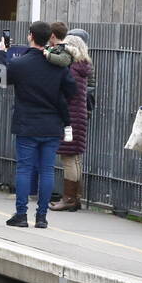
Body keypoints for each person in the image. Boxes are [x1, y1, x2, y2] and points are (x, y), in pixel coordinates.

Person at [0, 20, 76, 228]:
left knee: (24, 169)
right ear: (49, 38)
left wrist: (1, 53)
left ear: (30, 36)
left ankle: (21, 214)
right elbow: (72, 91)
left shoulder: (20, 64)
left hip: (26, 123)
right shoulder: (57, 64)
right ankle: (42, 217)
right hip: (52, 124)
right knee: (47, 170)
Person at [51, 35, 93, 212]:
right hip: (79, 117)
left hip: (70, 118)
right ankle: (75, 197)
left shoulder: (72, 70)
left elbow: (65, 93)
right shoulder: (81, 67)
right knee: (75, 158)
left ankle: (68, 198)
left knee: (68, 158)